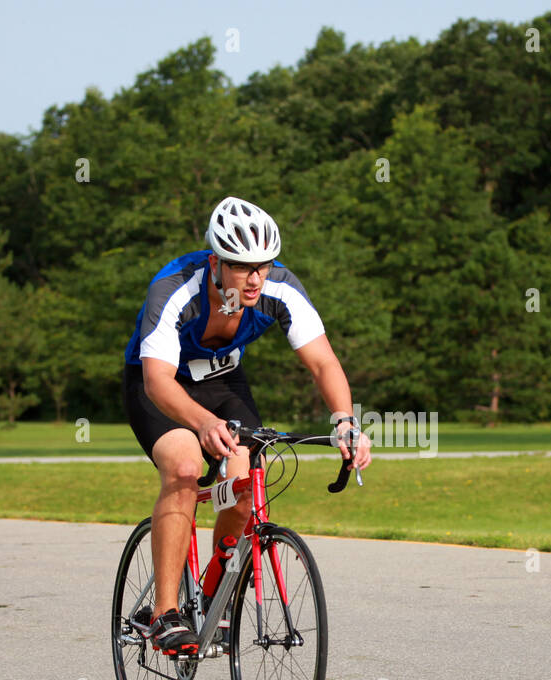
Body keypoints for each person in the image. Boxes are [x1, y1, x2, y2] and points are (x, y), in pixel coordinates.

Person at [122, 196, 371, 655]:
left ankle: (214, 600)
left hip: (222, 379)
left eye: (263, 265)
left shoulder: (278, 289)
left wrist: (346, 422)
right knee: (183, 465)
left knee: (243, 485)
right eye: (241, 267)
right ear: (216, 262)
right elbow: (157, 380)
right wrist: (201, 423)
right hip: (162, 383)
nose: (255, 278)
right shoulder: (175, 287)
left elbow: (322, 362)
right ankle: (165, 612)